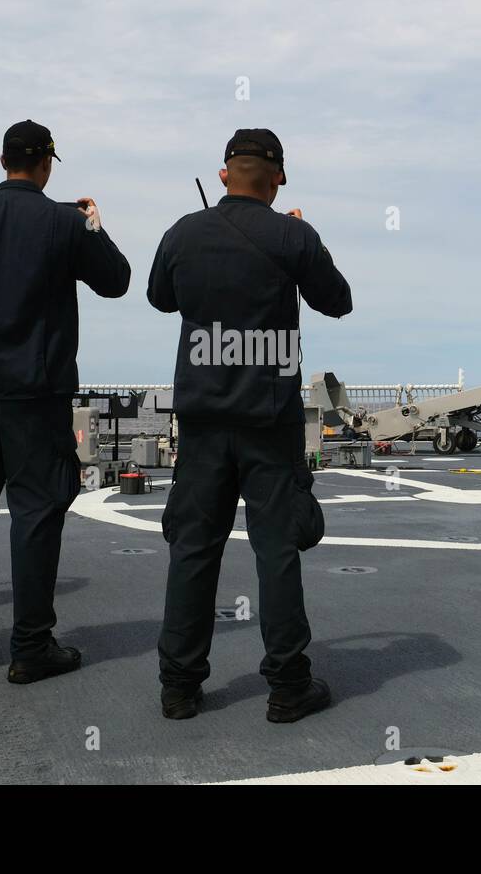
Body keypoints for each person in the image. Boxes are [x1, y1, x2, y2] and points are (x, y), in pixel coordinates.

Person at [147, 129, 353, 722]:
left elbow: (161, 298)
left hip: (204, 422)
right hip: (269, 422)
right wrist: (295, 241)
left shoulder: (184, 232)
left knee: (192, 551)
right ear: (279, 178)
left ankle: (179, 687)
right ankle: (288, 687)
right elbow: (336, 301)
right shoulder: (292, 234)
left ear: (222, 176)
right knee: (276, 552)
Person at [0, 119, 130, 683]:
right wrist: (94, 225)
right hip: (36, 396)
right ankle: (30, 645)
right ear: (46, 165)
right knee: (35, 517)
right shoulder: (64, 222)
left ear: (2, 160)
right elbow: (116, 281)